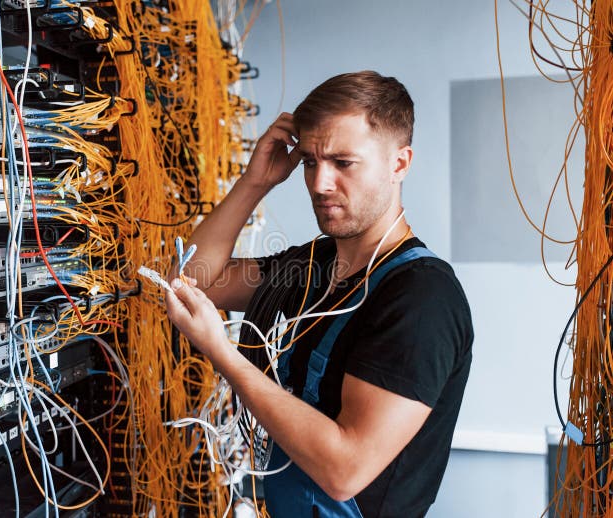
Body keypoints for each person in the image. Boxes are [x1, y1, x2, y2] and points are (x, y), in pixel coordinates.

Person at [163, 71, 473, 518]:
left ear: (399, 164)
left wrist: (221, 352)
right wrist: (255, 182)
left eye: (343, 163)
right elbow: (191, 280)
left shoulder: (422, 298)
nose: (319, 183)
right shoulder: (312, 267)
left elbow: (344, 470)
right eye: (310, 161)